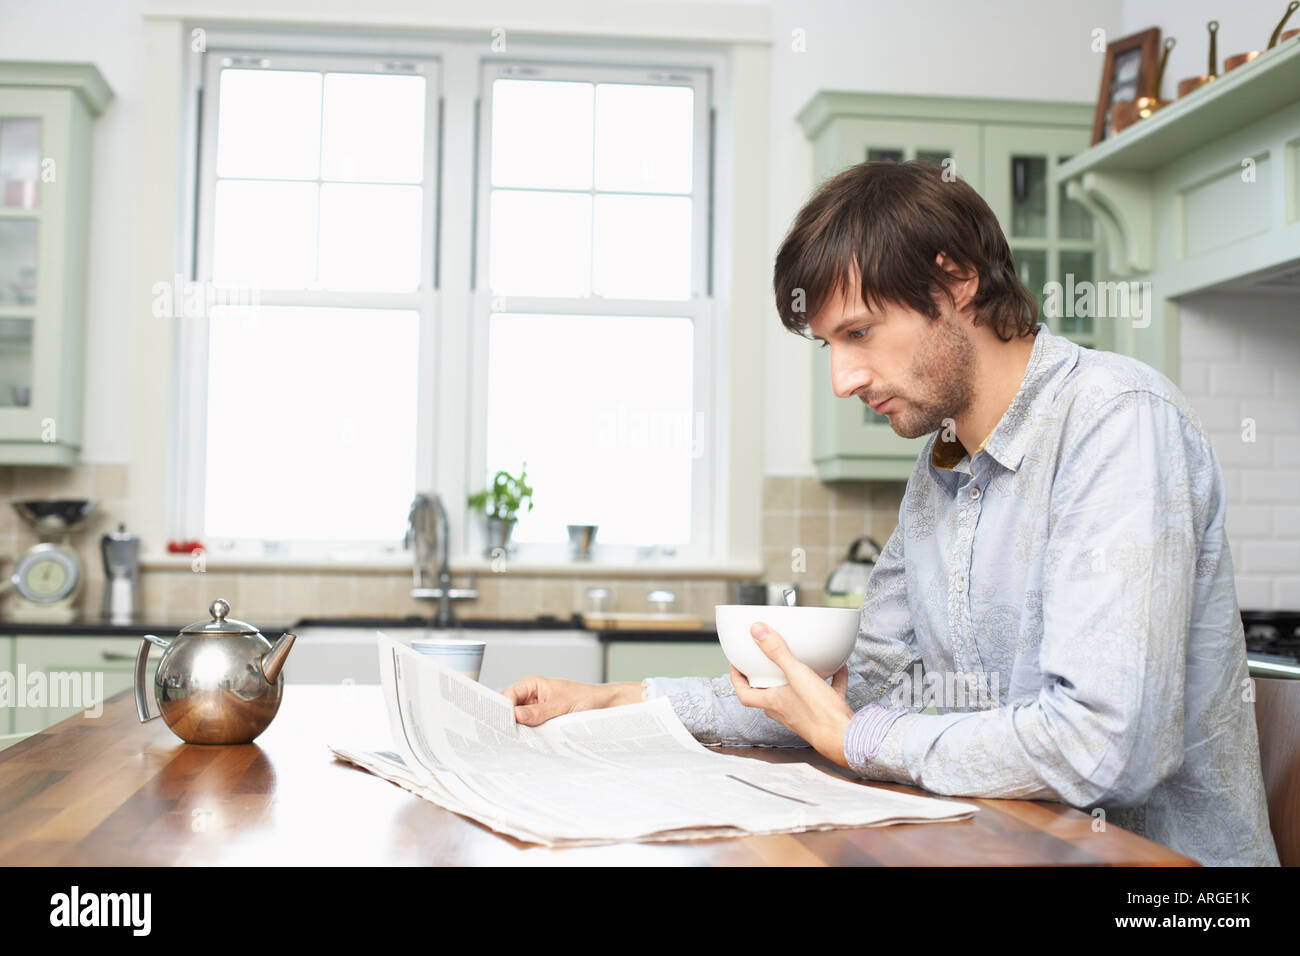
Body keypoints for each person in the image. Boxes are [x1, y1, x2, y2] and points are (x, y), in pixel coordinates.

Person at [502, 160, 1279, 867]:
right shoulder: (939, 468)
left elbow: (1106, 747)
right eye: (828, 346)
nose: (842, 379)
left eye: (860, 333)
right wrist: (617, 701)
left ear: (956, 281)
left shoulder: (1116, 420)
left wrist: (864, 740)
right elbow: (849, 699)